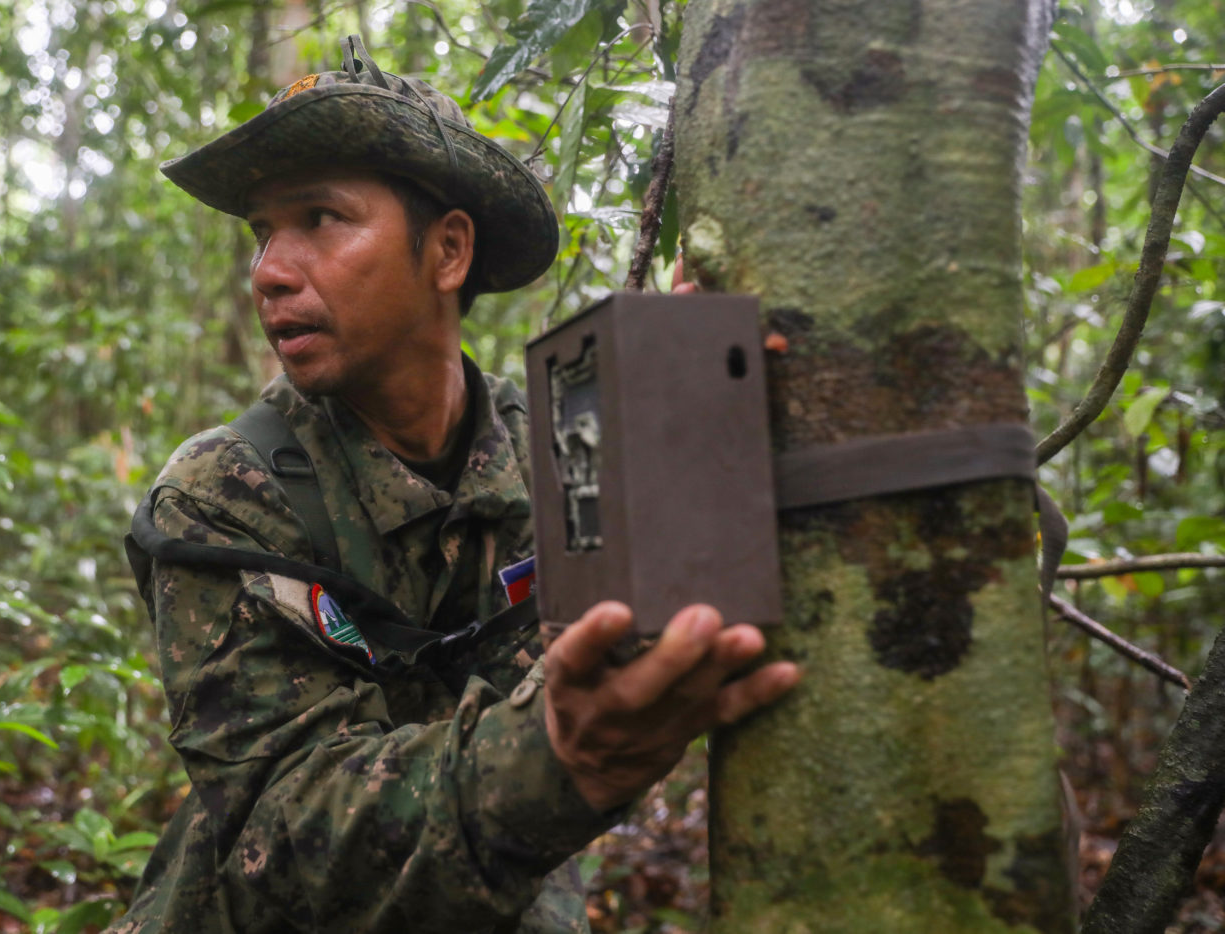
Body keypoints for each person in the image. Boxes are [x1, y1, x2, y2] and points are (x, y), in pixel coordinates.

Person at [108, 36, 799, 934]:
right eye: (262, 232)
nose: (270, 270)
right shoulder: (219, 493)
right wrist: (552, 754)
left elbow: (677, 618)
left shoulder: (558, 449)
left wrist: (696, 419)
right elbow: (279, 832)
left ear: (448, 251)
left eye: (320, 218)